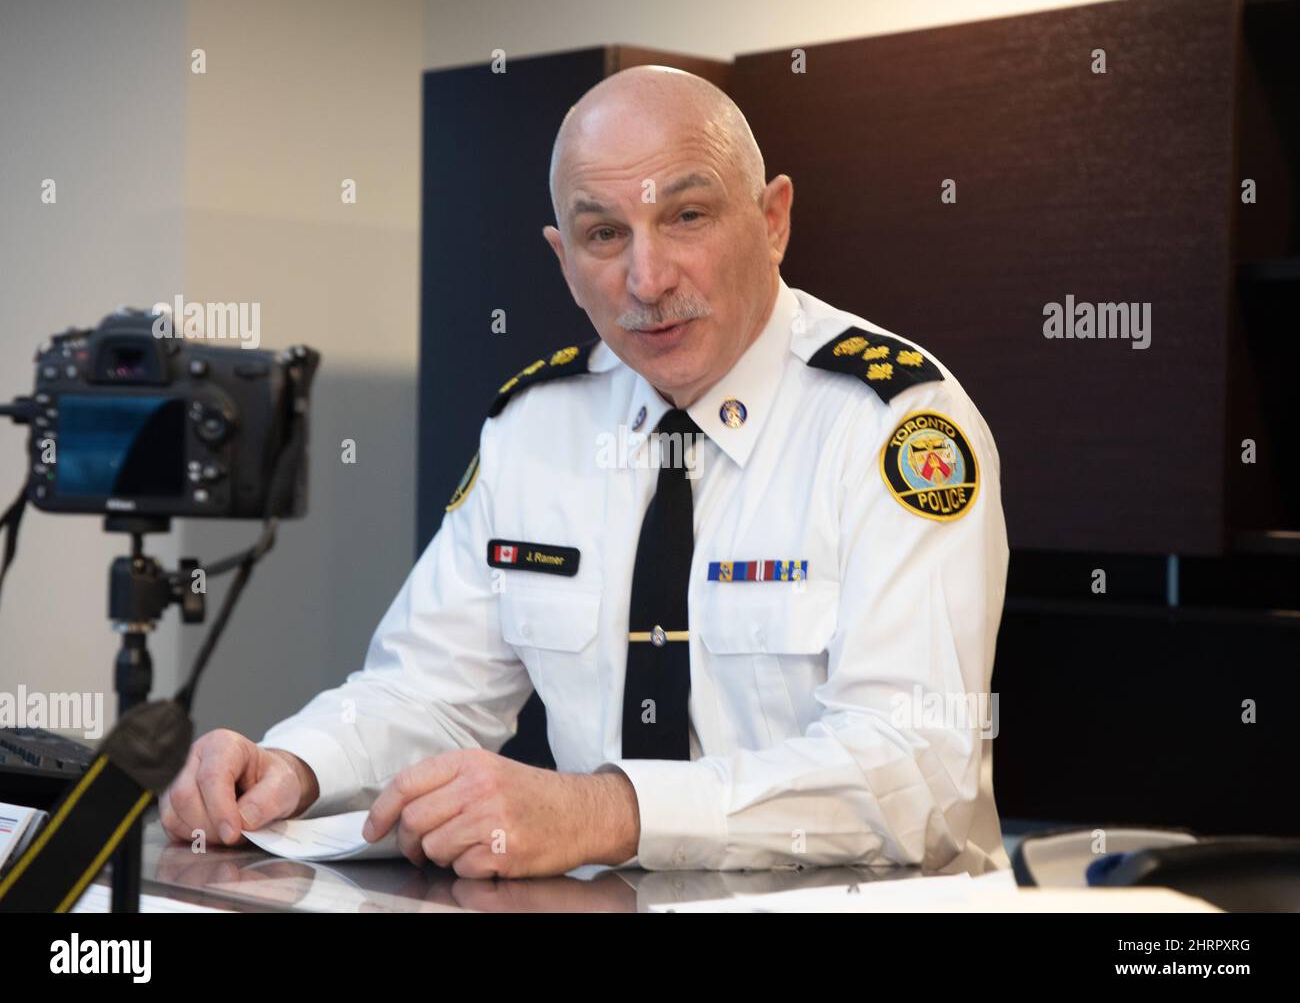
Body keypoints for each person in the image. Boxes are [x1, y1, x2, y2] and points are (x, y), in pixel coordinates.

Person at [159, 65, 1010, 878]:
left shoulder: (895, 425)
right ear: (563, 257)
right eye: (605, 234)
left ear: (774, 218)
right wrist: (294, 765)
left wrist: (604, 812)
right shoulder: (538, 425)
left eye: (687, 217)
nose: (647, 280)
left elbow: (913, 770)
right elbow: (429, 691)